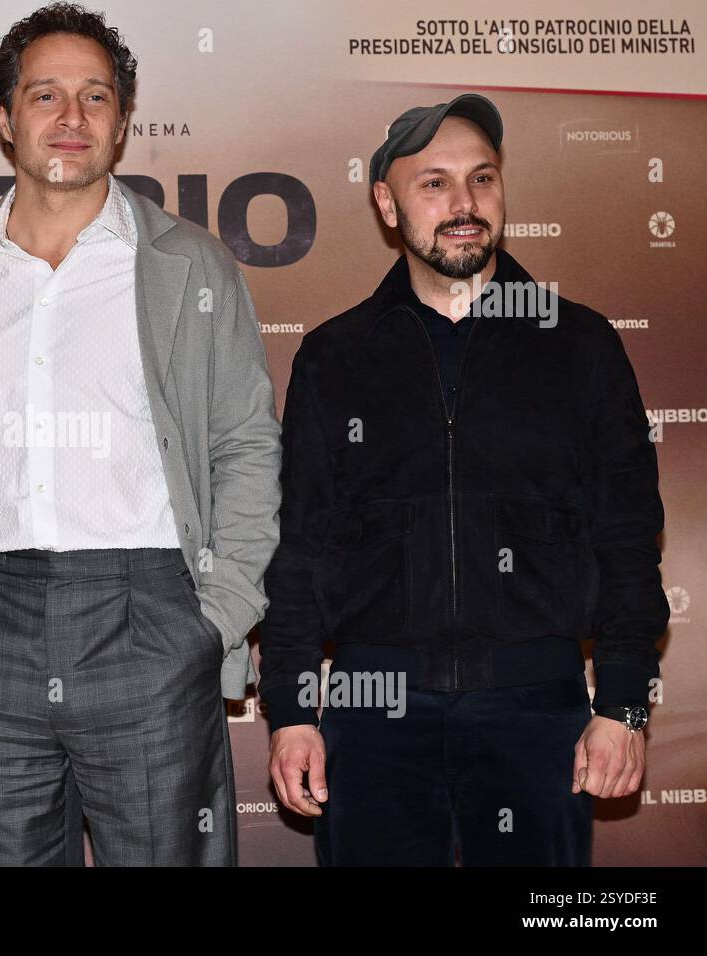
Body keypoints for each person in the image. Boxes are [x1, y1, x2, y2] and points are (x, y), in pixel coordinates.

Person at [0, 2, 281, 865]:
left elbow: (246, 448)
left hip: (151, 616)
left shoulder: (192, 267)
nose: (70, 118)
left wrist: (211, 622)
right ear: (4, 119)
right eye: (45, 95)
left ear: (121, 122)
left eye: (95, 97)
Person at [259, 93, 668, 866]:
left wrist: (621, 702)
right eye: (434, 183)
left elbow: (625, 537)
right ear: (387, 202)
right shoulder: (336, 357)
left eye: (482, 180)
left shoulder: (577, 344)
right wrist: (290, 708)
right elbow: (299, 549)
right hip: (372, 713)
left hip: (537, 713)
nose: (464, 204)